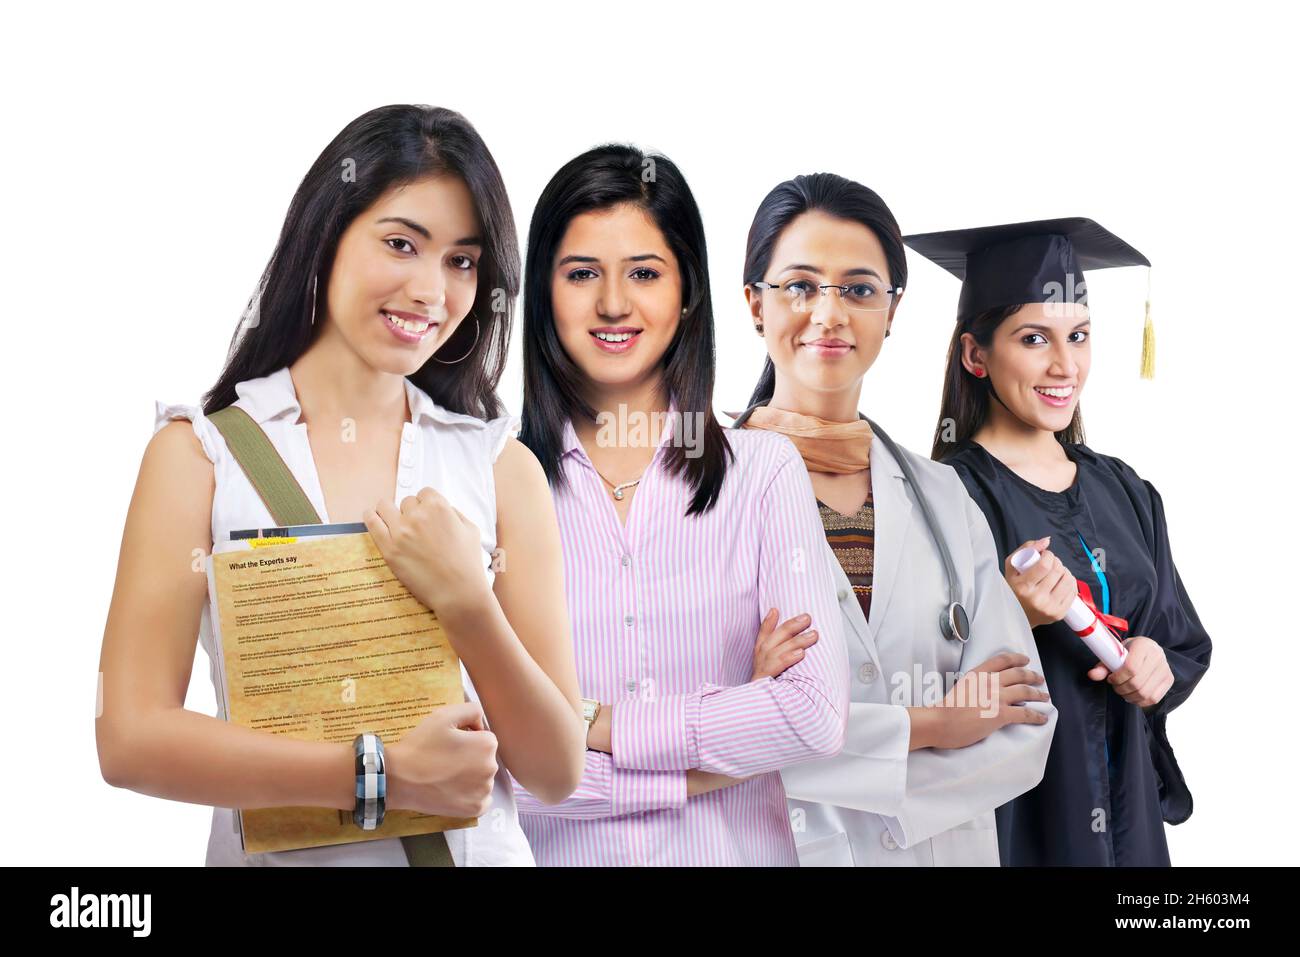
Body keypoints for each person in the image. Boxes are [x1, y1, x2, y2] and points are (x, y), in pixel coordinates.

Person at [96, 104, 585, 866]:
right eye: (401, 244)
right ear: (325, 236)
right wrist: (382, 775)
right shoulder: (200, 454)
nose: (433, 290)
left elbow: (556, 769)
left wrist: (468, 601)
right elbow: (129, 738)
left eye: (462, 261)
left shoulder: (498, 466)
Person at [510, 145, 850, 866]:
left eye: (643, 272)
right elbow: (496, 773)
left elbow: (814, 715)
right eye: (580, 274)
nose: (612, 302)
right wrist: (719, 749)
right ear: (544, 292)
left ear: (688, 291)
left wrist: (596, 724)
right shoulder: (492, 488)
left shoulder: (761, 473)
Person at [731, 173, 1055, 866]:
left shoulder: (940, 495)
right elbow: (704, 732)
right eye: (799, 285)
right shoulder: (691, 491)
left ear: (892, 309)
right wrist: (937, 724)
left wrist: (808, 742)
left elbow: (1025, 725)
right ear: (755, 302)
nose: (829, 311)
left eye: (858, 288)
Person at [917, 217, 1212, 865]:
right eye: (1033, 338)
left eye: (1078, 336)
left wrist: (1155, 661)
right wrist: (1012, 615)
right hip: (1021, 827)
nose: (1064, 364)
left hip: (1132, 829)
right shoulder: (939, 496)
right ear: (976, 354)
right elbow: (901, 684)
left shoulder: (1127, 491)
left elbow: (1179, 641)